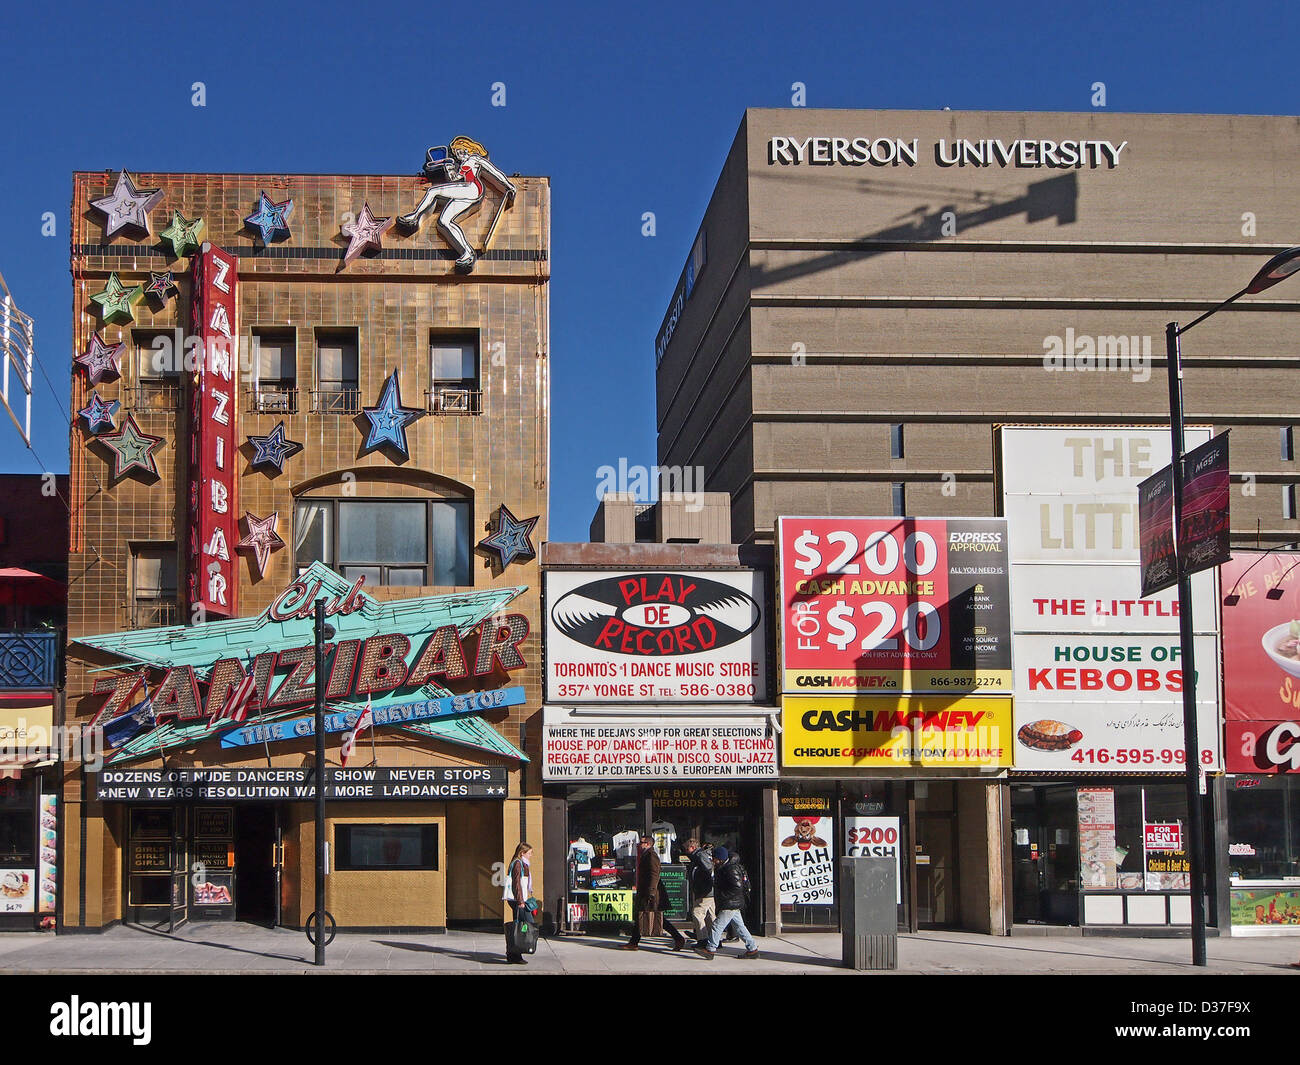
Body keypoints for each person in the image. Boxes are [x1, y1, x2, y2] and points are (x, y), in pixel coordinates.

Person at [398, 135, 516, 271]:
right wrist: (449, 170)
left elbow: (494, 172)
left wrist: (508, 185)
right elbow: (456, 180)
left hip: (472, 189)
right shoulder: (461, 165)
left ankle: (414, 218)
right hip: (464, 191)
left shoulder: (475, 159)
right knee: (444, 222)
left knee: (434, 191)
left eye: (460, 150)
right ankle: (467, 253)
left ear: (468, 150)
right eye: (456, 152)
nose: (458, 154)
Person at [623, 835, 688, 951]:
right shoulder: (646, 854)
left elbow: (654, 874)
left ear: (648, 844)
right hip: (645, 891)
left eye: (642, 842)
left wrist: (651, 892)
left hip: (650, 892)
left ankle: (678, 938)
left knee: (656, 917)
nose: (640, 844)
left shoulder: (651, 855)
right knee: (642, 915)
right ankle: (634, 942)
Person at [694, 845, 759, 959]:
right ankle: (752, 949)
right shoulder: (723, 867)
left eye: (714, 858)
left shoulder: (730, 869)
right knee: (739, 927)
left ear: (721, 858)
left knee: (716, 926)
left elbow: (737, 887)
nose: (713, 860)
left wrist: (724, 896)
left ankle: (710, 950)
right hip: (731, 903)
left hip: (730, 903)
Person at [502, 842, 534, 964]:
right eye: (529, 853)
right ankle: (513, 954)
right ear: (522, 853)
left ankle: (515, 953)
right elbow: (516, 884)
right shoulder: (517, 864)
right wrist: (520, 901)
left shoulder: (522, 863)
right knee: (522, 926)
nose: (531, 855)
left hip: (520, 900)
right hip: (518, 901)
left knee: (520, 926)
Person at [685, 838, 715, 945]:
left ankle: (703, 939)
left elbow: (708, 869)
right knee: (710, 916)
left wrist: (703, 885)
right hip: (709, 891)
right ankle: (714, 940)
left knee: (697, 913)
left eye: (687, 848)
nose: (686, 851)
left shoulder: (700, 855)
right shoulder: (700, 856)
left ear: (692, 847)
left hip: (705, 891)